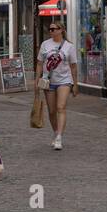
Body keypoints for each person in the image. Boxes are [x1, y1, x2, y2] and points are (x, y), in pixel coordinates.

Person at [37, 20, 78, 150]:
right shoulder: (45, 44)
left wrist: (75, 84)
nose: (51, 31)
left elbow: (73, 66)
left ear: (61, 30)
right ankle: (55, 132)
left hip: (64, 81)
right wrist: (37, 79)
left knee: (61, 107)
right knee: (52, 110)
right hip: (48, 81)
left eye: (54, 29)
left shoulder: (69, 46)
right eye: (50, 29)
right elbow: (39, 63)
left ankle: (59, 136)